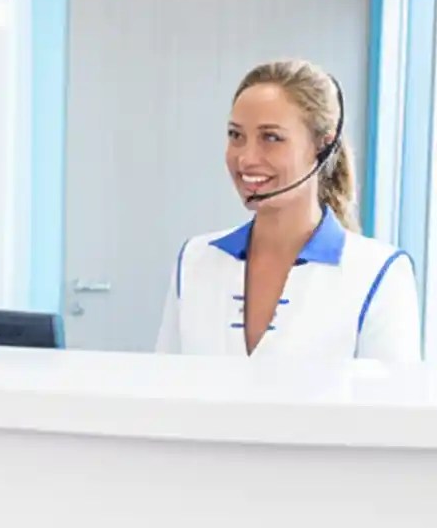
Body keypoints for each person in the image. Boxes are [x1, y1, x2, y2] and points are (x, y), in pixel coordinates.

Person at [155, 59, 421, 361]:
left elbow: (389, 405)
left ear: (323, 147)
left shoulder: (379, 273)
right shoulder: (195, 260)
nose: (246, 158)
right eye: (236, 135)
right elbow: (166, 392)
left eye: (271, 138)